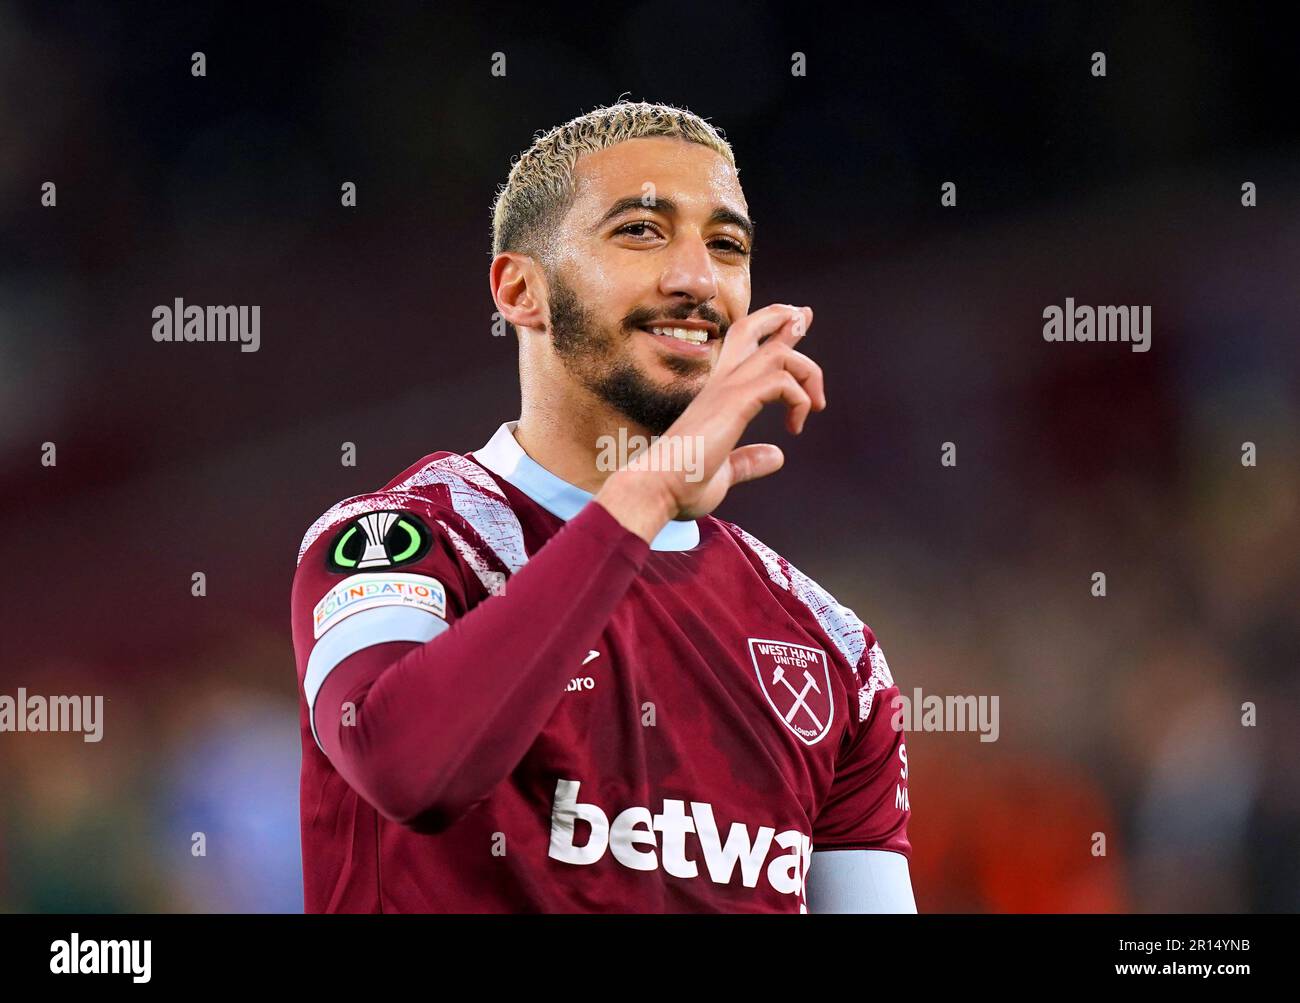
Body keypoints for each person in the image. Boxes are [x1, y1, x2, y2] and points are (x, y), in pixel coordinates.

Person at [289, 100, 914, 913]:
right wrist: (649, 489)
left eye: (726, 246)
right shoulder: (405, 540)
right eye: (641, 231)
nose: (696, 278)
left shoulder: (833, 654)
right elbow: (409, 770)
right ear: (521, 291)